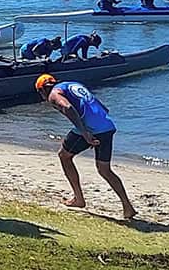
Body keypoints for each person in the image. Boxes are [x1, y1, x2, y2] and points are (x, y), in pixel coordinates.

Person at [36, 74, 136, 219]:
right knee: (104, 170)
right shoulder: (72, 84)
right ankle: (127, 206)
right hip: (107, 126)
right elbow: (103, 107)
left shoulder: (54, 94)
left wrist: (85, 134)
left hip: (89, 129)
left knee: (64, 156)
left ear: (42, 90)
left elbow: (68, 107)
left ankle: (78, 198)